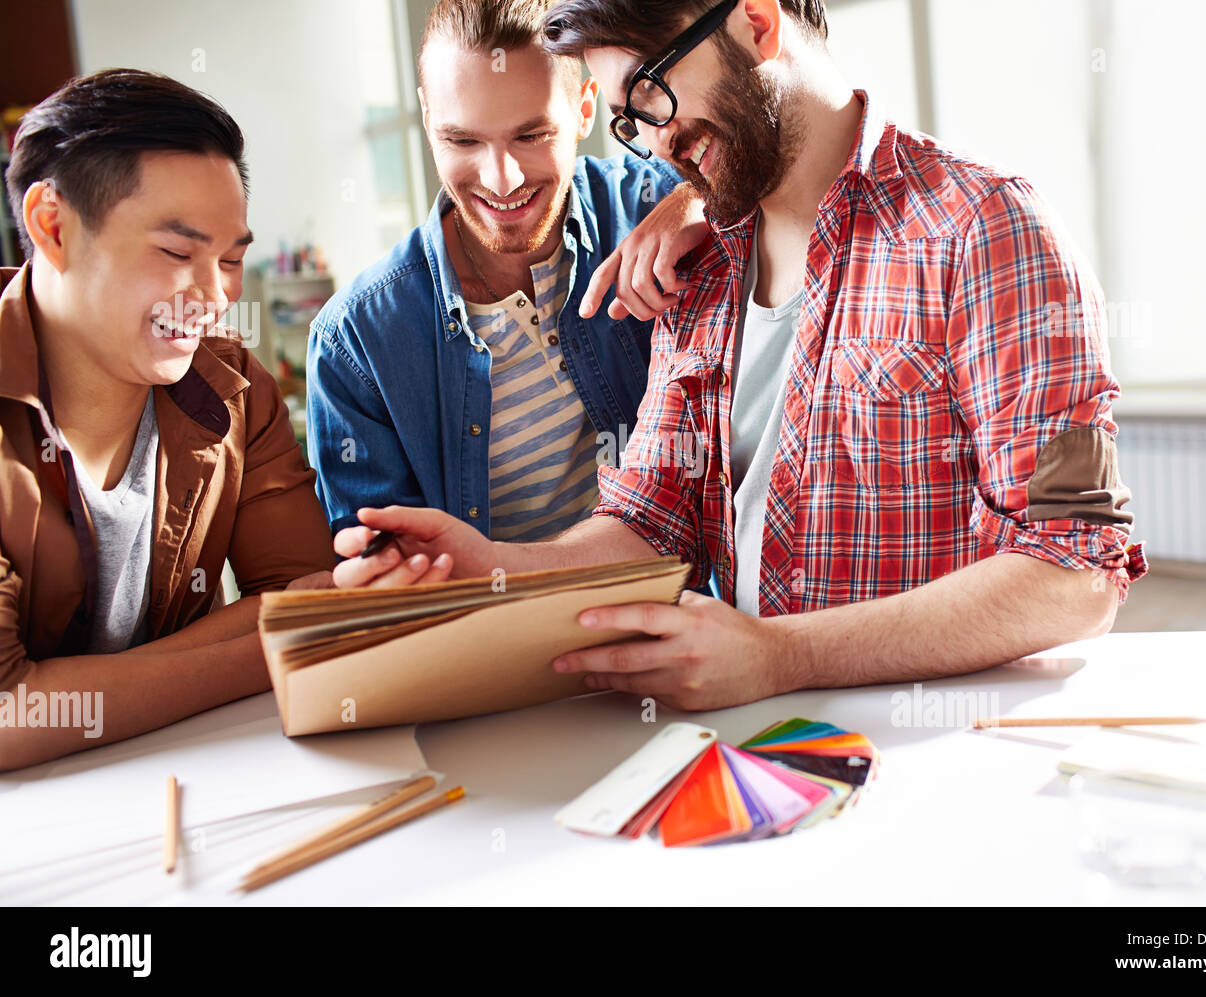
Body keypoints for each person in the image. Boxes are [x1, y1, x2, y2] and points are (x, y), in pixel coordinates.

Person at [330, 0, 1147, 712]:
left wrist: (781, 656)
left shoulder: (988, 227)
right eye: (629, 119)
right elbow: (651, 523)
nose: (654, 145)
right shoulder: (697, 269)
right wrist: (495, 564)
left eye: (652, 96)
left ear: (756, 20)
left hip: (941, 755)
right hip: (768, 750)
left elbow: (1076, 569)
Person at [0, 70, 335, 769]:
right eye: (178, 254)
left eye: (231, 259)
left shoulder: (234, 385)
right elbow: (9, 711)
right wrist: (260, 649)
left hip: (184, 778)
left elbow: (311, 606)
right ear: (51, 225)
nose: (214, 297)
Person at [306, 0, 709, 556]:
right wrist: (385, 572)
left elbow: (772, 168)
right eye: (463, 141)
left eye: (532, 135)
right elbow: (384, 573)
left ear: (585, 107)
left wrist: (698, 199)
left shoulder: (650, 203)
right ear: (428, 120)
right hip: (492, 635)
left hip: (685, 617)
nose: (502, 180)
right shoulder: (355, 342)